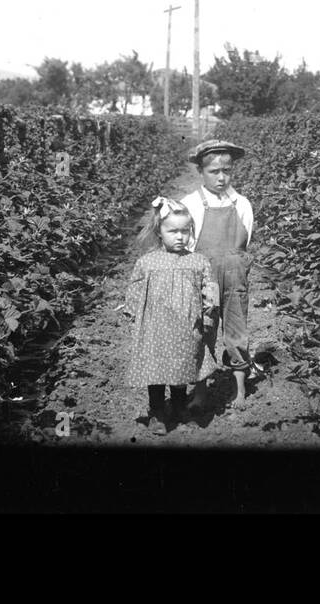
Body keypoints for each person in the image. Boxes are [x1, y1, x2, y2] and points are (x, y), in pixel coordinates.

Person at [121, 197, 219, 435]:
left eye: (185, 231)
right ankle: (157, 413)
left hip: (186, 328)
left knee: (183, 368)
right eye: (172, 231)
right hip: (155, 328)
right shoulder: (147, 262)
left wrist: (207, 318)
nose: (179, 236)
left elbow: (210, 290)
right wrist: (134, 315)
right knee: (155, 372)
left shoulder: (198, 261)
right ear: (159, 232)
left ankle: (179, 408)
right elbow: (135, 288)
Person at [181, 139, 254, 409]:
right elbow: (186, 247)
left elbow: (244, 239)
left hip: (235, 275)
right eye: (214, 172)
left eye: (227, 171)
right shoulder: (191, 204)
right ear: (201, 171)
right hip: (203, 276)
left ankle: (240, 388)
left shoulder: (242, 204)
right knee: (202, 331)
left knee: (236, 330)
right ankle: (200, 392)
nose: (221, 177)